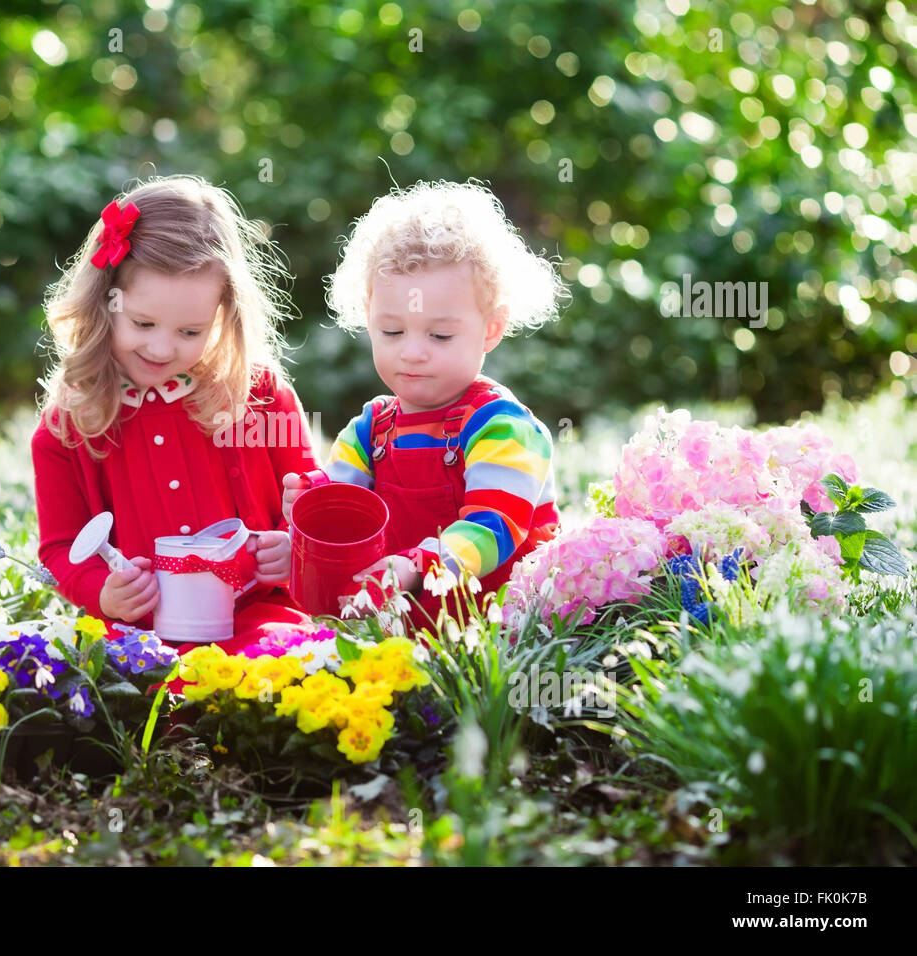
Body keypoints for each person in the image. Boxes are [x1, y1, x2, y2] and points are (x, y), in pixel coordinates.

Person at [32, 174, 319, 659]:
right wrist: (101, 591)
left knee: (292, 674)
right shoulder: (69, 425)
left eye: (190, 331)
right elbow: (60, 546)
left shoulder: (261, 395)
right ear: (105, 303)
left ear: (224, 313)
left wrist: (295, 549)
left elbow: (312, 501)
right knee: (106, 699)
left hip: (254, 620)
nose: (162, 348)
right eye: (143, 323)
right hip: (138, 635)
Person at [283, 180, 566, 631]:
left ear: (491, 329)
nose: (412, 352)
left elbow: (495, 526)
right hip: (404, 633)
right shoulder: (370, 428)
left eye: (439, 335)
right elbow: (344, 504)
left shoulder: (503, 428)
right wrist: (310, 499)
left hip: (497, 636)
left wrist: (419, 563)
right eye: (392, 332)